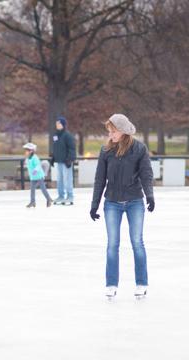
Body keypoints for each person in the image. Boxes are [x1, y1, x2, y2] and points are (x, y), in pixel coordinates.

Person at [90, 114, 154, 301]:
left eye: (114, 130)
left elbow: (146, 175)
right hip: (112, 202)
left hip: (134, 201)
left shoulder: (139, 149)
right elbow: (99, 179)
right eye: (109, 131)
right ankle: (111, 284)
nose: (110, 134)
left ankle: (141, 283)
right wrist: (95, 204)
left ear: (124, 131)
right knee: (112, 245)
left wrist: (149, 195)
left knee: (137, 242)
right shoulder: (106, 151)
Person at [50, 116, 76, 205]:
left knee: (67, 179)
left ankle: (70, 196)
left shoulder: (67, 135)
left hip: (66, 161)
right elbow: (56, 147)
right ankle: (61, 196)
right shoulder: (56, 135)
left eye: (59, 123)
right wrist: (53, 157)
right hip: (59, 161)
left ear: (63, 125)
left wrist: (70, 159)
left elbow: (72, 148)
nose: (57, 125)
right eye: (56, 123)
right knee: (60, 179)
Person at [23, 142, 52, 208]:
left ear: (31, 151)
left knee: (43, 188)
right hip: (33, 177)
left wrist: (35, 170)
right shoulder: (28, 158)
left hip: (39, 176)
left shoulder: (35, 158)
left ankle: (48, 199)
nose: (25, 152)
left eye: (27, 151)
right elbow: (29, 165)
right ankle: (32, 202)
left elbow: (38, 165)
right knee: (32, 190)